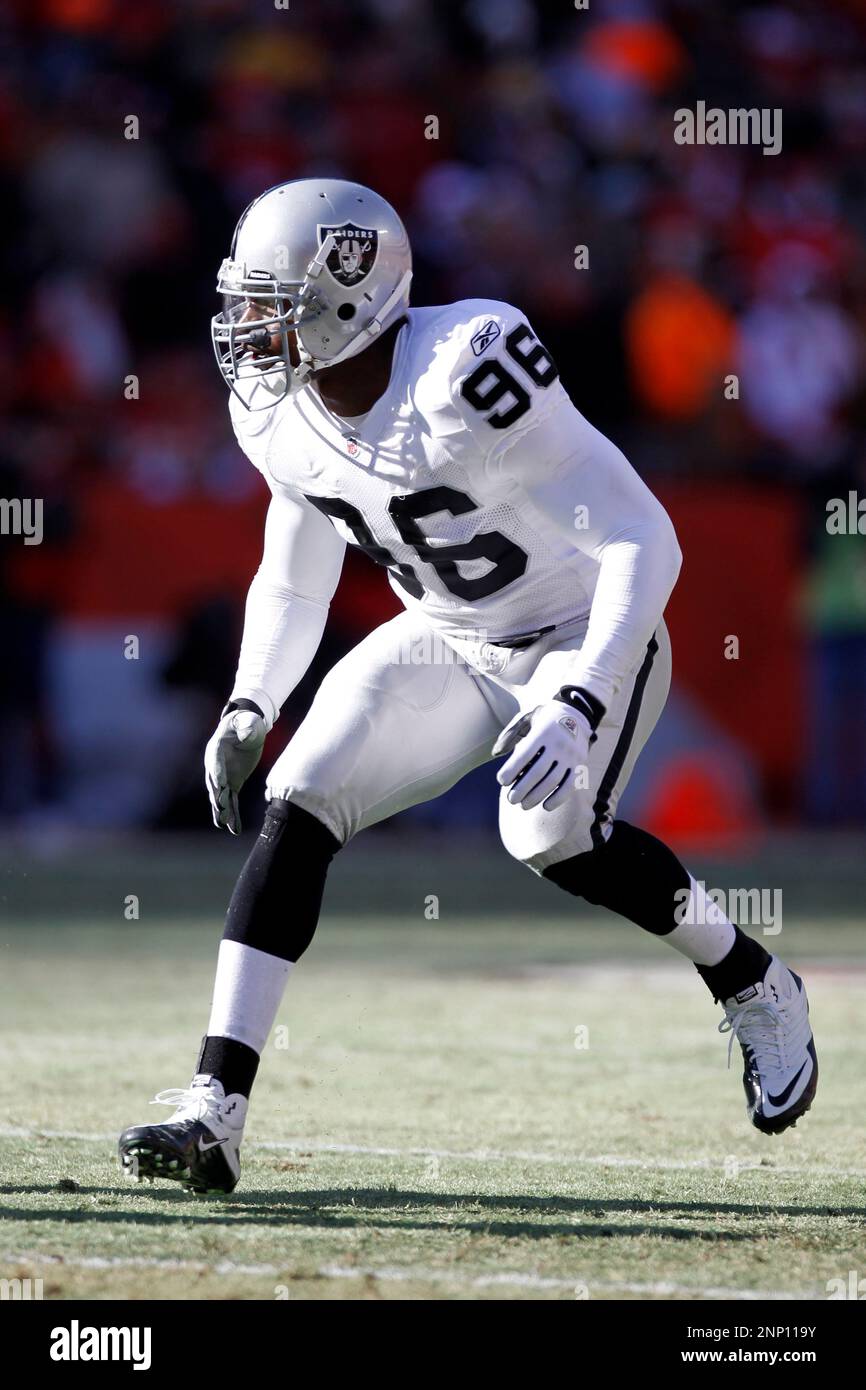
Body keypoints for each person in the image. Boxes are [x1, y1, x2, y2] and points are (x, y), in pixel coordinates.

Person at [118, 179, 817, 1194]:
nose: (245, 329)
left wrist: (580, 697)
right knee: (299, 788)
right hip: (448, 634)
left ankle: (749, 977)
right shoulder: (272, 408)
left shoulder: (468, 365)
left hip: (577, 632)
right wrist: (249, 702)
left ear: (346, 298)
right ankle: (213, 1110)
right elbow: (297, 546)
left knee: (543, 834)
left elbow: (641, 536)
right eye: (244, 302)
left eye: (270, 302)